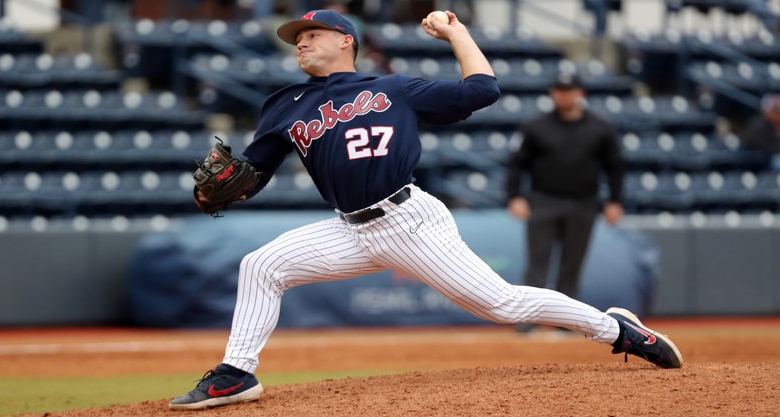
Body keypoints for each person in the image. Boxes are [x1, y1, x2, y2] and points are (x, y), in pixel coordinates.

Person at [169, 9, 682, 411]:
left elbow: (483, 89)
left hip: (409, 219)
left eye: (313, 33)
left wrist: (456, 34)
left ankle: (619, 331)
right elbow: (253, 174)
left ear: (346, 41)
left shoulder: (392, 88)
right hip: (348, 228)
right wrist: (221, 189)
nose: (301, 41)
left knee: (502, 305)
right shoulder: (284, 104)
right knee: (261, 265)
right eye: (296, 37)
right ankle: (237, 374)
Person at [505, 71, 625, 333]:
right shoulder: (536, 125)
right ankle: (528, 320)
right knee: (537, 264)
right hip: (544, 201)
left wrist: (615, 201)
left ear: (581, 94)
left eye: (569, 90)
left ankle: (565, 322)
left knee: (572, 265)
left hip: (583, 203)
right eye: (559, 90)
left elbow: (615, 166)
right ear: (552, 93)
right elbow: (516, 163)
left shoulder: (599, 127)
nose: (564, 95)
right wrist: (514, 196)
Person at [740, 93, 780, 170]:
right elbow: (767, 147)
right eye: (776, 110)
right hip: (758, 161)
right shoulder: (758, 125)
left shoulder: (776, 123)